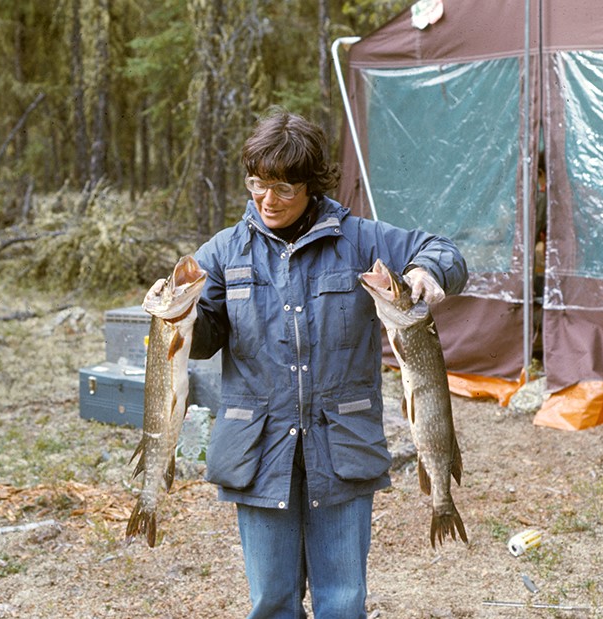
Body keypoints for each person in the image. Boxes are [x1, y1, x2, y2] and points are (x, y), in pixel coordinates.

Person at [188, 110, 467, 619]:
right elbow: (202, 339)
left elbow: (442, 249)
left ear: (311, 186)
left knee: (343, 600)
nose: (267, 199)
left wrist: (427, 270)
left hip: (342, 446)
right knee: (272, 600)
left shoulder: (359, 240)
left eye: (284, 188)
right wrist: (178, 318)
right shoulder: (224, 252)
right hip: (257, 451)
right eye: (257, 184)